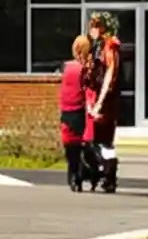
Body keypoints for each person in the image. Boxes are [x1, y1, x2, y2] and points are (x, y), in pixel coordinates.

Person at [86, 12, 122, 193]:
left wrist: (100, 100)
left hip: (106, 100)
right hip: (98, 97)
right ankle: (106, 174)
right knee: (97, 140)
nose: (91, 29)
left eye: (94, 25)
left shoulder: (110, 46)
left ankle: (109, 176)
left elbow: (110, 73)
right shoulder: (98, 46)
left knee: (104, 139)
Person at [58, 35, 94, 192]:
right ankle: (82, 174)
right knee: (81, 146)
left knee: (70, 147)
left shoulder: (66, 67)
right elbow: (89, 90)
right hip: (80, 111)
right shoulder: (86, 69)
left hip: (66, 110)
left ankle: (73, 176)